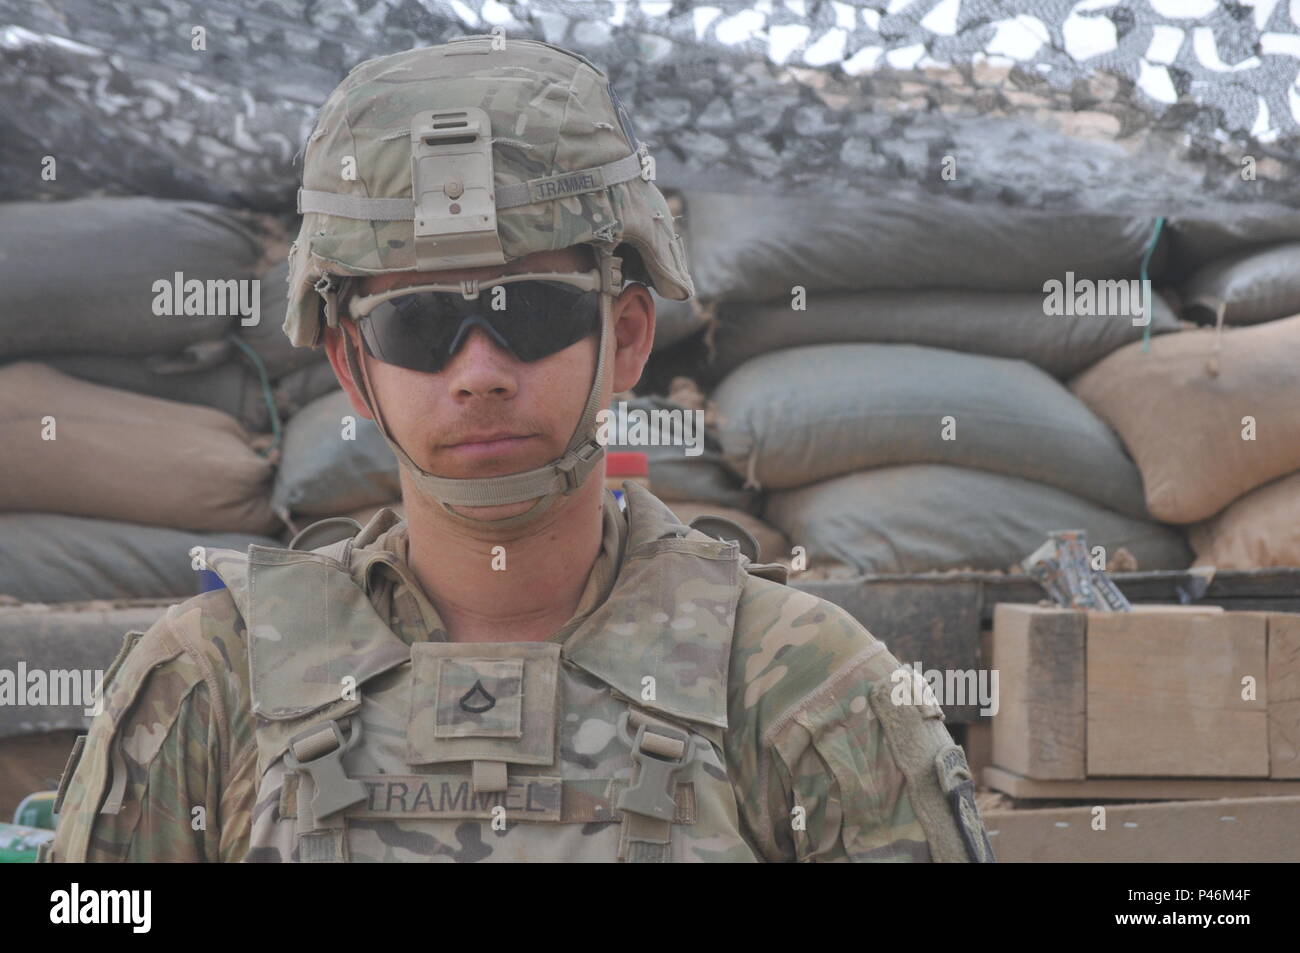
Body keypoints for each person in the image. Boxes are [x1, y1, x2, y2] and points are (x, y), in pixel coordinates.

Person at [47, 35, 994, 863]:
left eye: (528, 311)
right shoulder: (211, 681)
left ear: (625, 338)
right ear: (352, 364)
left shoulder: (804, 683)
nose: (481, 372)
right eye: (420, 325)